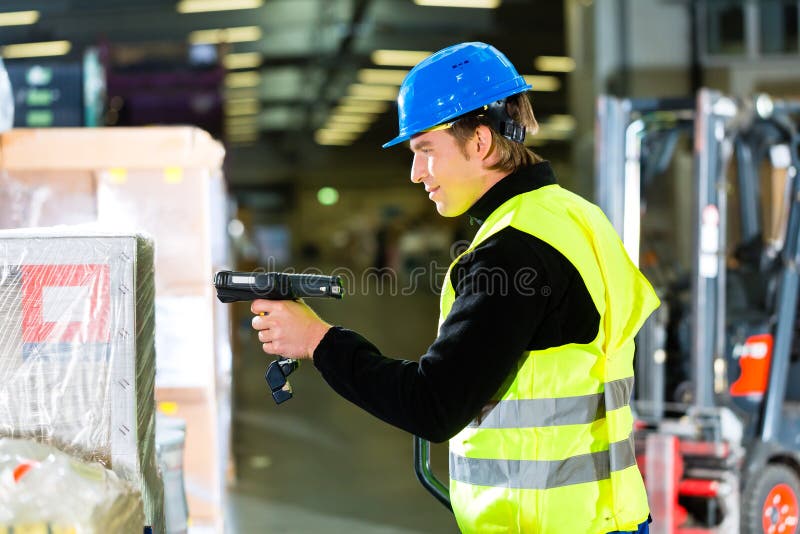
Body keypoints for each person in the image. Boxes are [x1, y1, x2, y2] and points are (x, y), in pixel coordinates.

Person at [250, 42, 657, 534]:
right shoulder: (575, 216)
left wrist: (318, 341)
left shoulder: (511, 252)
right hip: (609, 514)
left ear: (480, 142)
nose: (416, 173)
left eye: (425, 151)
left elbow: (434, 405)